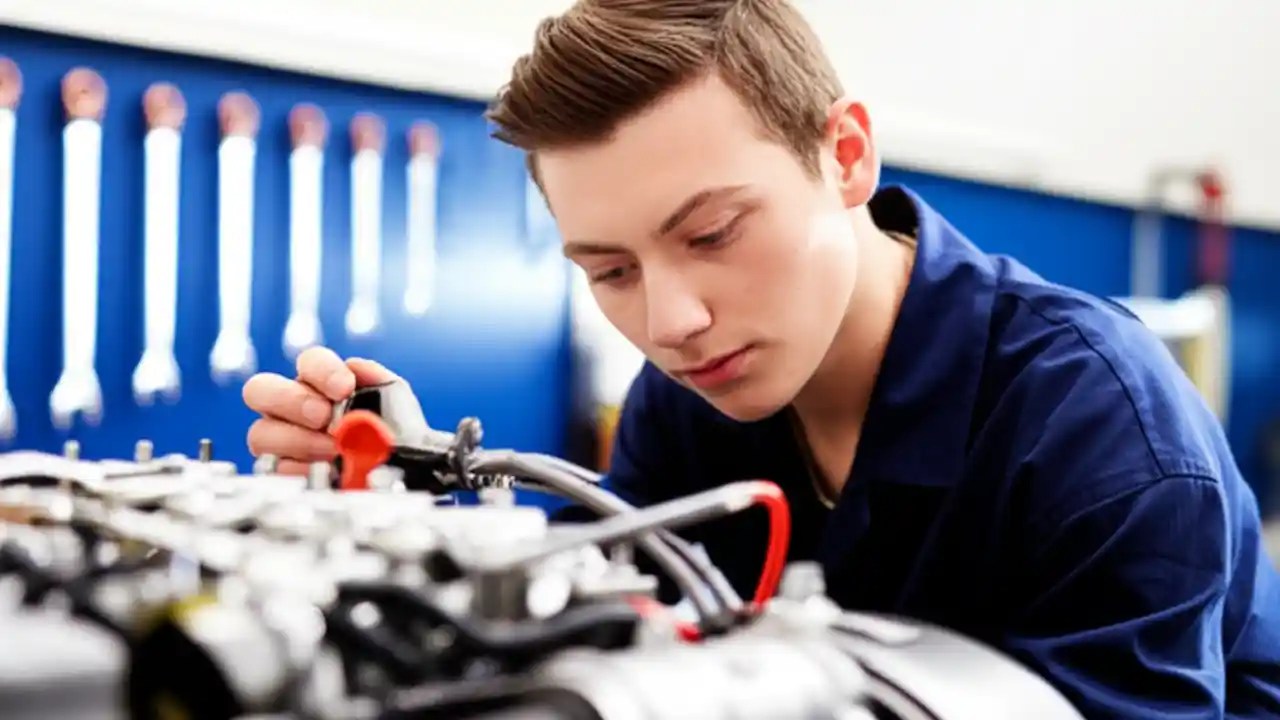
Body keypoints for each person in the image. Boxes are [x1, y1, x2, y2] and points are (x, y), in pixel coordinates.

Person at [241, 0, 1280, 716]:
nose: (672, 322)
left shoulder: (1096, 429)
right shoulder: (686, 401)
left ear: (844, 157)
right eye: (609, 270)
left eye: (712, 233)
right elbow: (589, 619)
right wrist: (397, 505)